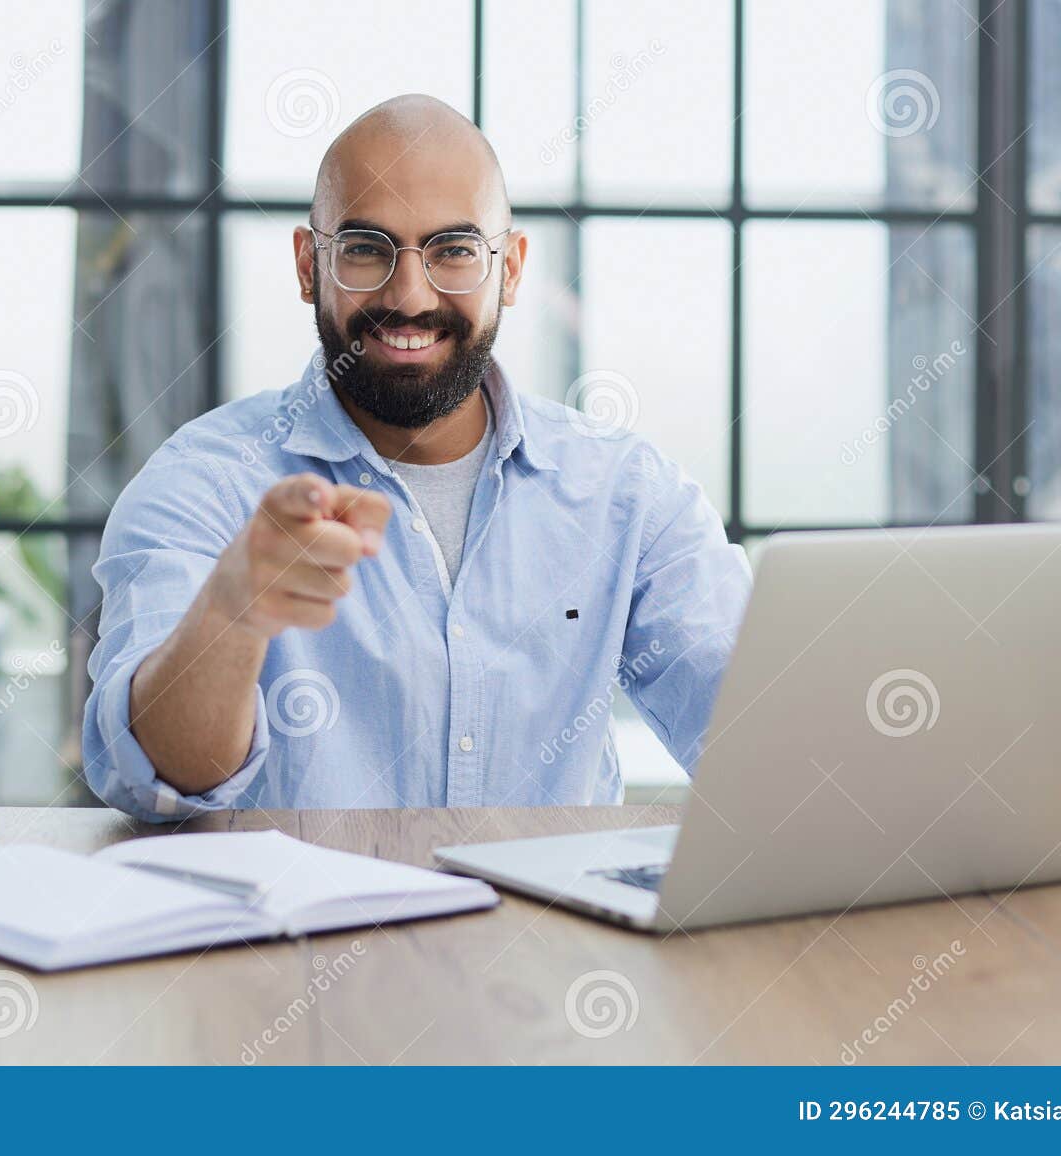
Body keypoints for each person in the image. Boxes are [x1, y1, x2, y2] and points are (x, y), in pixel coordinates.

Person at [82, 94, 752, 821]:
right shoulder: (205, 482)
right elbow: (158, 778)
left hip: (547, 935)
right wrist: (232, 612)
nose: (410, 296)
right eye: (367, 248)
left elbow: (759, 740)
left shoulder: (627, 493)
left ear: (513, 269)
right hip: (295, 931)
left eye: (455, 251)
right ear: (311, 266)